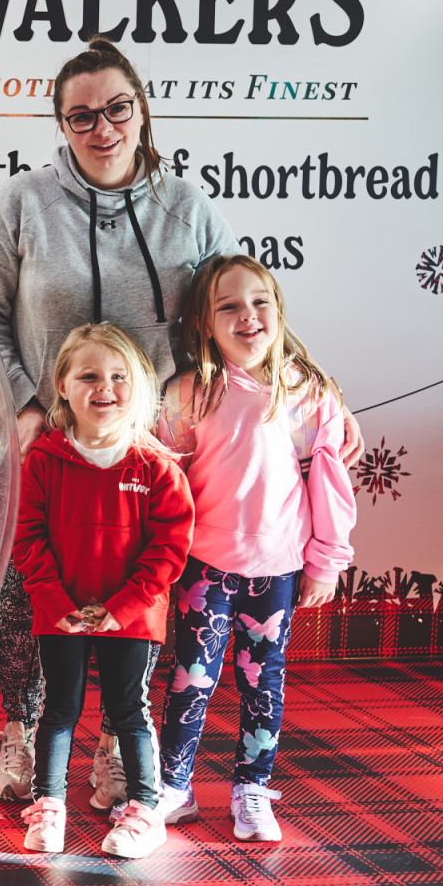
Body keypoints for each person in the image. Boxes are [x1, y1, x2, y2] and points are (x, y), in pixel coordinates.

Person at [0, 35, 363, 805]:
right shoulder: (22, 205)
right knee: (26, 590)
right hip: (47, 434)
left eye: (117, 108)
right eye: (81, 117)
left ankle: (116, 740)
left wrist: (319, 392)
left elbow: (239, 314)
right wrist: (23, 400)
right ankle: (20, 729)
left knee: (135, 594)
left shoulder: (188, 208)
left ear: (142, 111)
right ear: (62, 126)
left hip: (153, 447)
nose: (102, 128)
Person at [145, 254, 355, 841]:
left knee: (263, 681)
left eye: (259, 302)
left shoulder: (305, 395)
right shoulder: (187, 395)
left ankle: (252, 788)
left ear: (279, 311)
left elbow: (328, 482)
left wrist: (327, 560)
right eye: (228, 307)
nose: (247, 316)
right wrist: (160, 561)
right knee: (191, 677)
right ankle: (174, 786)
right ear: (203, 324)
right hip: (205, 567)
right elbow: (168, 485)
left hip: (279, 569)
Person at [13, 323, 193, 858]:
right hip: (60, 614)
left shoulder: (156, 465)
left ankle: (143, 810)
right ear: (62, 386)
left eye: (118, 376)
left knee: (127, 709)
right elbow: (28, 540)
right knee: (59, 709)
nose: (104, 387)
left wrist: (123, 608)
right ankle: (49, 805)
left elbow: (169, 548)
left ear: (139, 386)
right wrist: (58, 603)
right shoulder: (44, 460)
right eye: (88, 375)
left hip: (131, 619)